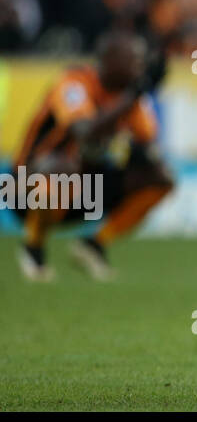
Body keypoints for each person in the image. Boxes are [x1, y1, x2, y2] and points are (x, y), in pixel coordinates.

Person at [10, 31, 172, 282]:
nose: (141, 67)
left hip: (83, 191)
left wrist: (140, 154)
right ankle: (34, 249)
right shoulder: (74, 82)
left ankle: (94, 244)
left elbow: (147, 143)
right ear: (110, 60)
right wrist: (133, 95)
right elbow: (83, 133)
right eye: (135, 59)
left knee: (160, 177)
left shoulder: (129, 98)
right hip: (25, 188)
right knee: (63, 167)